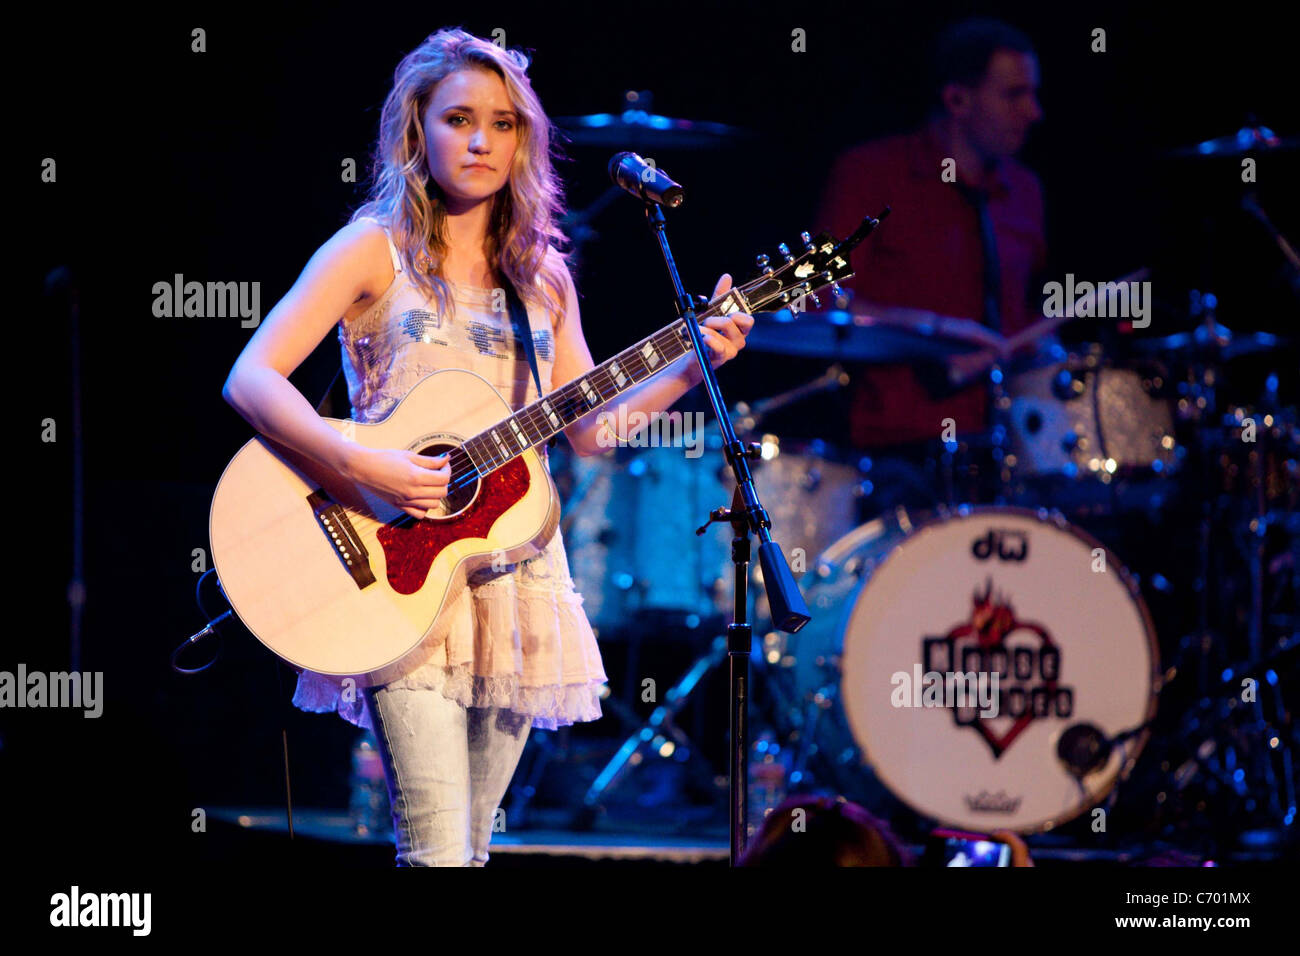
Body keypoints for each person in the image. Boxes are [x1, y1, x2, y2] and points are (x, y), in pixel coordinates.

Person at [220, 27, 753, 866]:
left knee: (468, 854)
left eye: (503, 124)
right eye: (459, 119)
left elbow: (590, 430)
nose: (480, 141)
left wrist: (693, 366)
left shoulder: (541, 277)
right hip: (396, 570)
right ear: (416, 132)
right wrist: (366, 462)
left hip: (516, 580)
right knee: (435, 853)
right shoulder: (374, 250)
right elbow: (251, 379)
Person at [813, 17, 1047, 453]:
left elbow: (1025, 314)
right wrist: (932, 331)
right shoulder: (871, 176)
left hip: (1015, 446)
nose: (1034, 113)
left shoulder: (1026, 190)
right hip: (897, 451)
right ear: (958, 99)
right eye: (1015, 95)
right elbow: (819, 301)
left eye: (1033, 94)